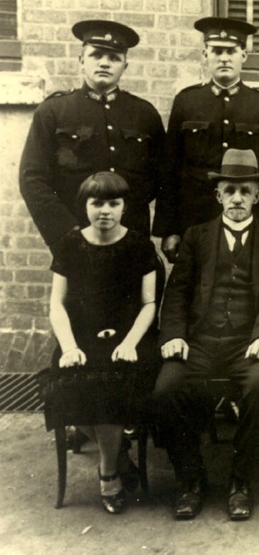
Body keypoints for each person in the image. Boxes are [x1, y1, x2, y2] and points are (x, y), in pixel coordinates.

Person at [152, 149, 259, 521]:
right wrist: (175, 335)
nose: (238, 199)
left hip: (248, 343)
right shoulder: (197, 237)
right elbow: (177, 292)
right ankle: (191, 479)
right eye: (230, 191)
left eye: (245, 191)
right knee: (165, 391)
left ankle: (240, 481)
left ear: (257, 195)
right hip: (200, 341)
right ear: (218, 195)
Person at [43, 171, 159, 514]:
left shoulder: (140, 245)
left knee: (109, 388)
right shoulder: (70, 244)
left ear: (125, 207)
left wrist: (130, 342)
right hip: (79, 338)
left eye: (113, 203)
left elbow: (149, 304)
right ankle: (118, 453)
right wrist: (68, 347)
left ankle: (108, 473)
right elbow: (56, 304)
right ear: (85, 206)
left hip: (130, 337)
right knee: (68, 383)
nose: (105, 210)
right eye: (97, 203)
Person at [20, 20, 164, 248]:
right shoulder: (53, 112)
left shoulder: (144, 114)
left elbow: (161, 178)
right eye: (96, 55)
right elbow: (33, 178)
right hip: (75, 237)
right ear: (81, 61)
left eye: (114, 58)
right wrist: (65, 231)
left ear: (125, 66)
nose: (105, 63)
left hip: (131, 237)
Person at [153, 17, 259, 263]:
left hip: (246, 221)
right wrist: (170, 229)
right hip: (195, 221)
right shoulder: (187, 102)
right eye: (217, 51)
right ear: (205, 54)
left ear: (243, 55)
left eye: (231, 51)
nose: (224, 58)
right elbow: (170, 170)